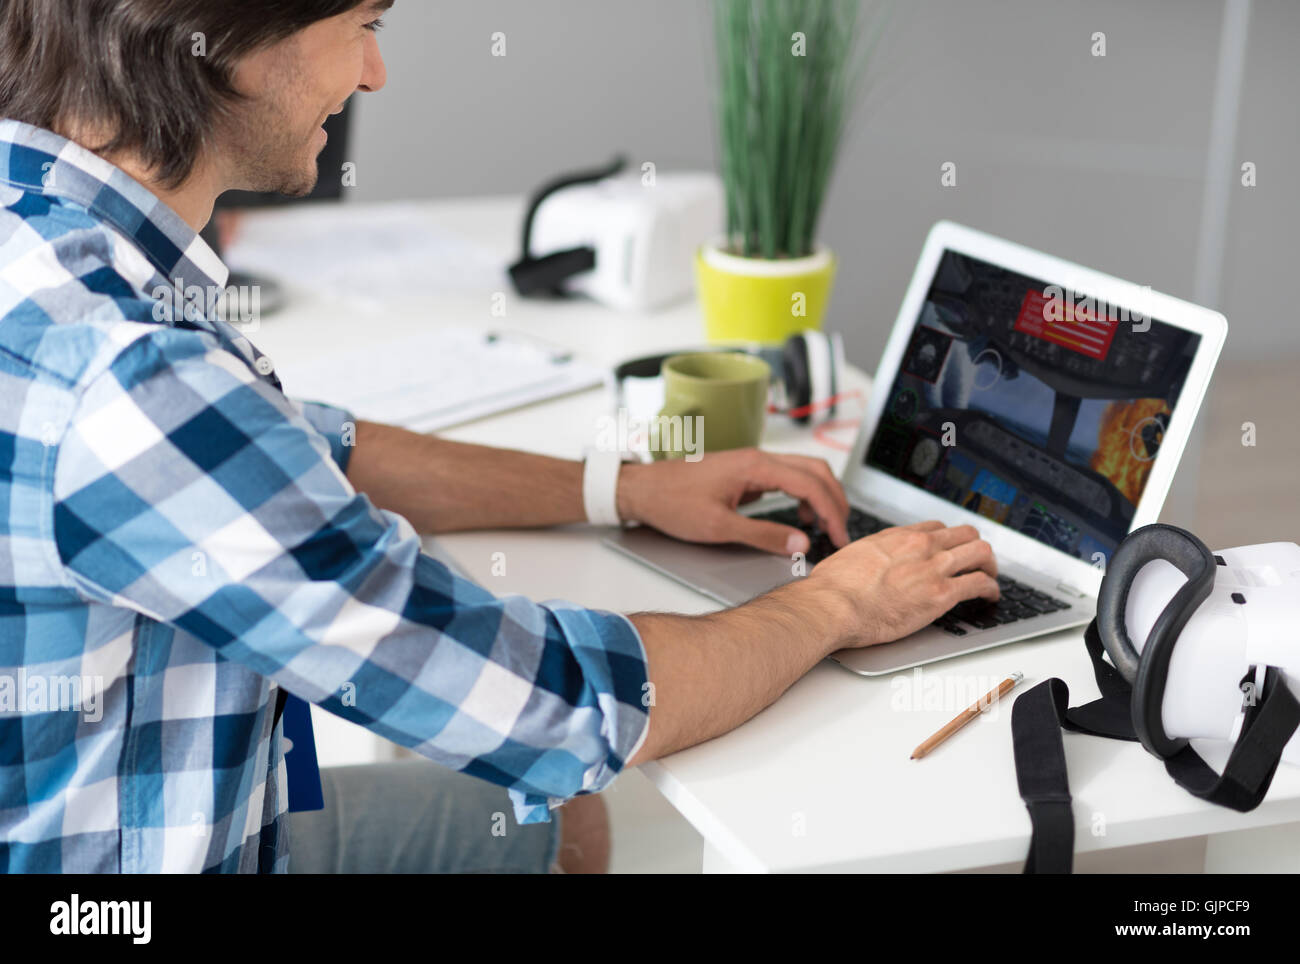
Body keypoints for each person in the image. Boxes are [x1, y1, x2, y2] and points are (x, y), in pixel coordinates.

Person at [0, 0, 998, 873]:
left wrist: (624, 489)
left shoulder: (47, 243)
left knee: (556, 829)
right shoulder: (129, 376)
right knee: (564, 812)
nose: (375, 73)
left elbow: (306, 451)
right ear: (232, 42)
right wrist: (834, 602)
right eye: (365, 26)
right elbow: (552, 704)